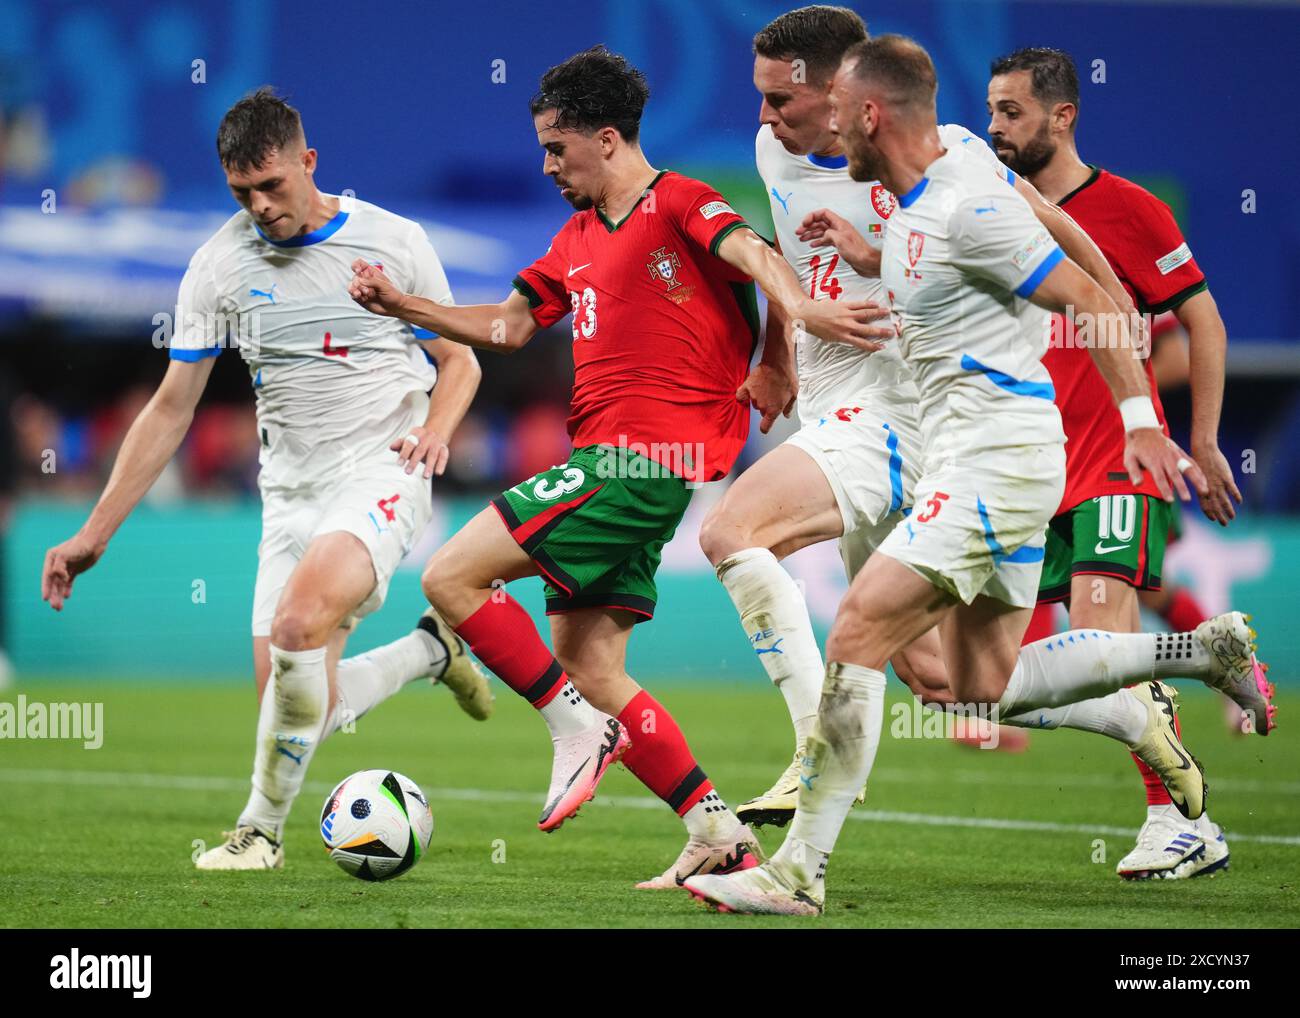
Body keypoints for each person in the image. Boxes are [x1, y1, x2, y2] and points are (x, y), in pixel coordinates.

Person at [685, 35, 1272, 916]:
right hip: (990, 460)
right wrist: (859, 252)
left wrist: (1143, 424)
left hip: (993, 461)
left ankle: (796, 872)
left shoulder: (966, 204)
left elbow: (1095, 302)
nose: (819, 126)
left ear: (870, 113)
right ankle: (1195, 652)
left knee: (854, 633)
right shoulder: (920, 194)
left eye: (837, 110)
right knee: (977, 685)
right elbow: (939, 273)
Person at [348, 45, 888, 888]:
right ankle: (715, 832)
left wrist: (797, 319)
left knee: (452, 578)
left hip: (642, 462)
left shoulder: (683, 202)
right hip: (608, 460)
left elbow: (753, 255)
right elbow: (510, 328)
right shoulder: (573, 236)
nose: (546, 164)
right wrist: (403, 305)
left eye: (556, 148)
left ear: (606, 138)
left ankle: (572, 732)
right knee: (590, 666)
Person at [40, 87, 491, 871]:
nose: (259, 206)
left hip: (383, 466)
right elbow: (171, 407)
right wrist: (93, 531)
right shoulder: (218, 265)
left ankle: (260, 834)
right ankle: (429, 651)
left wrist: (435, 431)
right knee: (297, 711)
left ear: (308, 162)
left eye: (272, 185)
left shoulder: (393, 241)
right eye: (241, 192)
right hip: (289, 489)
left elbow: (461, 358)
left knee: (296, 627)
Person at [987, 47, 1248, 877]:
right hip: (1032, 467)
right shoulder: (988, 209)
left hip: (1117, 459)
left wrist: (1202, 439)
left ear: (1064, 116)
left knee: (1102, 628)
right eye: (990, 111)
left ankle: (1181, 821)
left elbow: (1201, 322)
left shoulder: (1130, 210)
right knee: (1013, 678)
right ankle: (1207, 658)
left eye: (1013, 113)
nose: (995, 128)